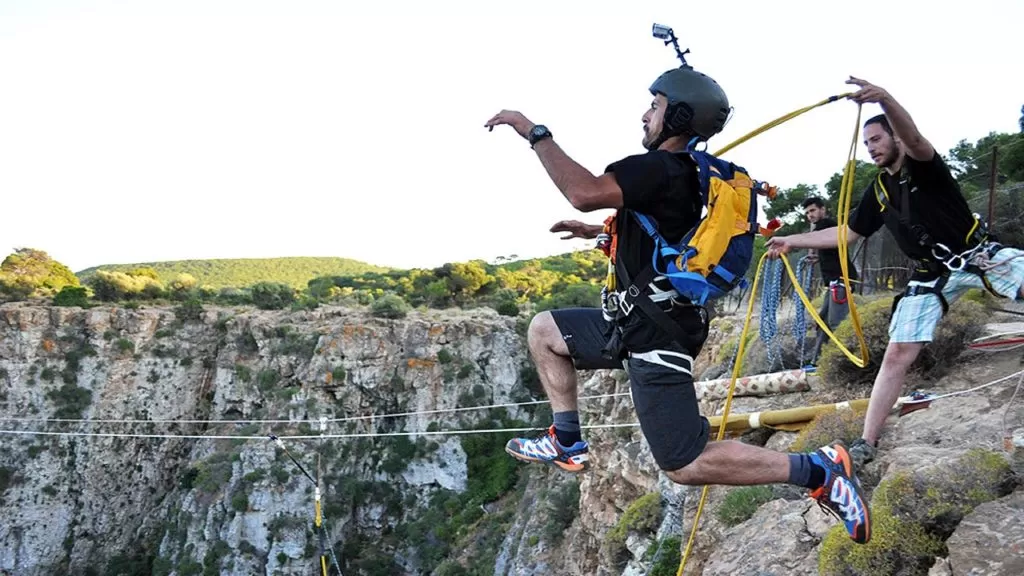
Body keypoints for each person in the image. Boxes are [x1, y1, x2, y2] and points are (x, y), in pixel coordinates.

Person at [485, 62, 871, 544]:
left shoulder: (657, 168)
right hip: (637, 321)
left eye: (655, 105)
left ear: (679, 115)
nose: (645, 115)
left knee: (685, 463)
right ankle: (566, 439)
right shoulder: (687, 176)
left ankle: (820, 470)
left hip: (654, 333)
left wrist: (533, 130)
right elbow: (657, 234)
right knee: (546, 331)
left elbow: (584, 193)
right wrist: (596, 232)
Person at [767, 76, 1024, 467]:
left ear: (895, 139)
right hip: (928, 274)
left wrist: (885, 99)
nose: (871, 148)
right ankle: (867, 443)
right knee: (898, 352)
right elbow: (849, 233)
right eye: (867, 142)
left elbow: (916, 138)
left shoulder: (925, 166)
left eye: (878, 139)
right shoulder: (878, 191)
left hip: (976, 254)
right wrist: (793, 240)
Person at [800, 196, 860, 367]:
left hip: (841, 280)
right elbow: (831, 249)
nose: (809, 215)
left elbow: (814, 239)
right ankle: (818, 361)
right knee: (823, 322)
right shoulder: (825, 229)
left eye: (812, 210)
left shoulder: (826, 225)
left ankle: (847, 362)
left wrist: (790, 241)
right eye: (807, 213)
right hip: (833, 282)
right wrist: (817, 257)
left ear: (822, 209)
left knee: (837, 322)